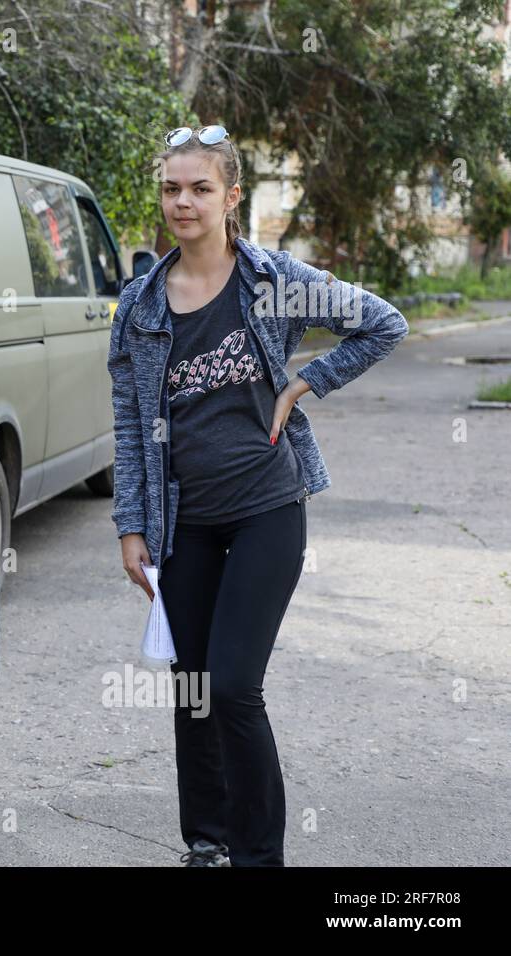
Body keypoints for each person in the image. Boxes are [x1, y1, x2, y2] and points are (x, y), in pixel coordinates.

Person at [106, 124, 408, 866]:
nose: (185, 202)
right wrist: (131, 525)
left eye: (201, 188)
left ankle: (259, 855)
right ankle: (206, 839)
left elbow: (382, 324)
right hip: (186, 522)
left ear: (232, 196)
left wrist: (307, 380)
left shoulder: (275, 282)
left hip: (269, 505)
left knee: (235, 686)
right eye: (173, 188)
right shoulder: (140, 306)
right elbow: (128, 424)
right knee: (195, 687)